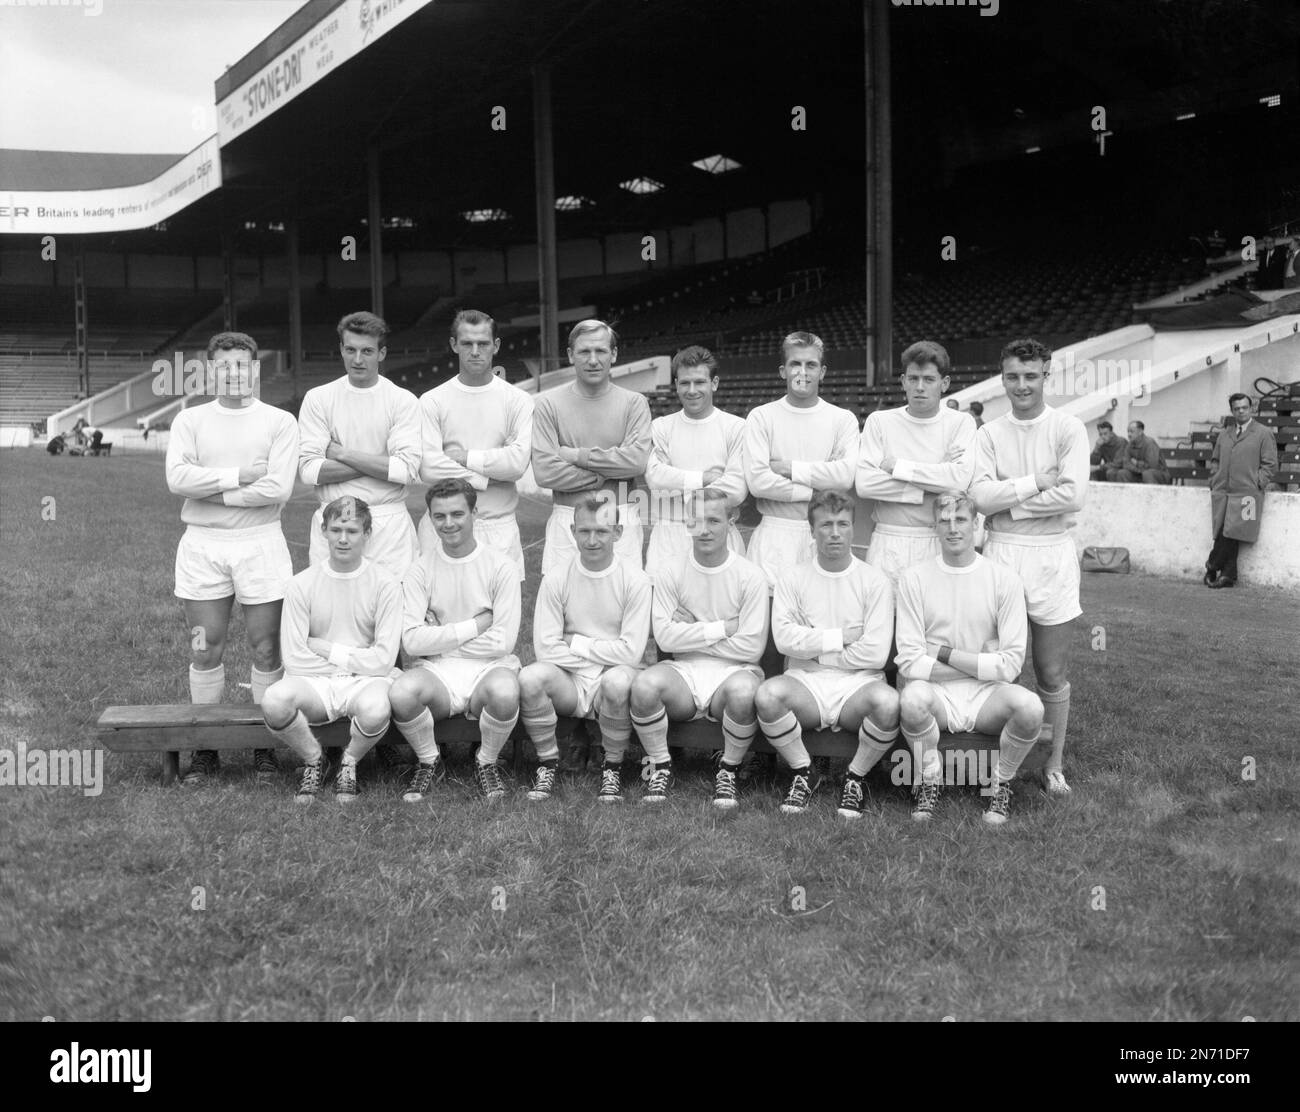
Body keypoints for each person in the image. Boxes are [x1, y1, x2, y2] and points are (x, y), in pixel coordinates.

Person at [165, 331, 298, 786]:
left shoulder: (279, 421)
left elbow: (278, 489)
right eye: (223, 366)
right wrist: (240, 477)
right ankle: (206, 747)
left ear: (255, 370)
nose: (233, 374)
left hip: (261, 545)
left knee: (266, 648)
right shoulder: (191, 420)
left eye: (241, 366)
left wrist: (210, 492)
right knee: (206, 648)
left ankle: (266, 743)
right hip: (203, 546)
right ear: (210, 370)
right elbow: (178, 479)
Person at [971, 338, 1088, 797]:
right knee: (1000, 666)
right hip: (1001, 555)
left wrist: (1012, 503)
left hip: (1052, 557)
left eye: (1031, 375)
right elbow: (980, 497)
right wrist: (1034, 486)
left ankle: (1053, 764)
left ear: (1046, 375)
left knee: (1050, 671)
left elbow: (1073, 495)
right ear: (1003, 378)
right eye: (1013, 376)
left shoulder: (1068, 428)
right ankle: (1001, 768)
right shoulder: (988, 434)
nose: (1022, 385)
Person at [895, 492, 1043, 825]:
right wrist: (982, 664)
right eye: (944, 520)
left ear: (976, 525)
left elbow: (1012, 664)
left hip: (987, 697)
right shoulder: (914, 578)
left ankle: (1001, 783)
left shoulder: (1004, 580)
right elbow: (908, 661)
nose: (952, 528)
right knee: (912, 698)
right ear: (934, 526)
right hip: (939, 696)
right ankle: (929, 780)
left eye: (961, 519)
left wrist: (942, 652)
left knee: (1031, 708)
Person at [755, 491, 899, 818]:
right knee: (767, 696)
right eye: (826, 524)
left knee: (889, 703)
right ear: (812, 530)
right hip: (806, 681)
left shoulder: (874, 581)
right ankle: (803, 772)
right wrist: (842, 638)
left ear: (853, 528)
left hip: (858, 685)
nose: (834, 532)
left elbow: (876, 653)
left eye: (842, 524)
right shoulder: (792, 578)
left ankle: (856, 777)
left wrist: (815, 647)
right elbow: (784, 640)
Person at [259, 497, 403, 805]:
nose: (342, 538)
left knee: (377, 708)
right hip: (319, 681)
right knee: (274, 700)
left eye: (352, 530)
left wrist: (328, 650)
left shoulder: (386, 584)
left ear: (367, 534)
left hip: (363, 682)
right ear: (323, 530)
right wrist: (357, 662)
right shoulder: (301, 584)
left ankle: (349, 763)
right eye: (336, 529)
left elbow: (385, 658)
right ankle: (315, 759)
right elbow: (295, 656)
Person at [629, 489, 769, 806]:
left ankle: (728, 771)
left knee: (745, 692)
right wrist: (721, 628)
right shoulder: (670, 570)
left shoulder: (750, 576)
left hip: (734, 672)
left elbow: (751, 649)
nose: (703, 529)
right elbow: (664, 638)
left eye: (713, 520)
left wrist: (690, 629)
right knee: (644, 685)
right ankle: (660, 765)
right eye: (695, 520)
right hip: (684, 671)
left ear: (731, 522)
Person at [389, 478, 522, 802]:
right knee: (403, 692)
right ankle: (429, 759)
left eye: (457, 514)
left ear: (474, 513)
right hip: (439, 671)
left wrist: (438, 634)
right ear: (430, 518)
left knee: (505, 693)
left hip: (488, 668)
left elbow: (503, 641)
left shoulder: (501, 566)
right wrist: (475, 626)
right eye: (439, 516)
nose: (448, 523)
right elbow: (411, 643)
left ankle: (486, 761)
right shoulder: (420, 570)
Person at [518, 494, 652, 803]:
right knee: (530, 677)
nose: (592, 540)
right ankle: (548, 763)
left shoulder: (635, 580)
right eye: (584, 531)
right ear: (572, 530)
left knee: (617, 680)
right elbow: (545, 648)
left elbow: (631, 652)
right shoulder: (556, 577)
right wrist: (600, 656)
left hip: (612, 678)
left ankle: (612, 768)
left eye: (602, 531)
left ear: (617, 532)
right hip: (572, 678)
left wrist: (577, 643)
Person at [297, 311, 422, 583]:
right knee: (332, 615)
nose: (357, 359)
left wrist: (342, 453)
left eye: (367, 351)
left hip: (388, 524)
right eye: (350, 349)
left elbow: (405, 470)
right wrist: (380, 463)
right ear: (341, 349)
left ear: (382, 353)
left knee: (393, 613)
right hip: (335, 518)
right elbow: (309, 471)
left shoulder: (402, 400)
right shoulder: (318, 398)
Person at [417, 309, 533, 581]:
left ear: (496, 345)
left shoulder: (518, 400)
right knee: (439, 619)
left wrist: (462, 456)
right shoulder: (432, 400)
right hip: (444, 527)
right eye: (467, 343)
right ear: (454, 345)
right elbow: (428, 467)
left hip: (498, 527)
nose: (475, 351)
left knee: (502, 621)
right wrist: (485, 475)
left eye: (482, 343)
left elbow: (516, 464)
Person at [532, 319, 651, 575]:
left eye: (601, 351)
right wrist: (604, 472)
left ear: (614, 354)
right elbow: (544, 472)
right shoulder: (547, 405)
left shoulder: (634, 403)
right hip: (567, 519)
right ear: (570, 356)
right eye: (585, 351)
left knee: (624, 607)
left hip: (621, 516)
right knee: (563, 607)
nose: (593, 360)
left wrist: (577, 456)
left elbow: (636, 462)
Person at [743, 330, 859, 592]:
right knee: (771, 623)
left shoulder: (843, 419)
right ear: (783, 371)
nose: (803, 371)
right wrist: (819, 489)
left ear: (823, 371)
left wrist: (787, 468)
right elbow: (759, 482)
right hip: (774, 535)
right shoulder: (761, 417)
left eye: (811, 364)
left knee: (821, 622)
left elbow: (843, 478)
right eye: (795, 363)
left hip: (823, 533)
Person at [855, 340, 976, 584]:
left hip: (937, 540)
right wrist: (931, 485)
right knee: (884, 619)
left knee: (934, 620)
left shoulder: (960, 423)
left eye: (929, 380)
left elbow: (959, 480)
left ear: (945, 383)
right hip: (888, 540)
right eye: (913, 379)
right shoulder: (880, 421)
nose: (920, 387)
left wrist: (898, 467)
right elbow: (866, 484)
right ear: (903, 381)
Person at [644, 344, 747, 567]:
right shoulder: (661, 426)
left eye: (699, 382)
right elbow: (656, 480)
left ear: (714, 383)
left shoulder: (737, 427)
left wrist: (679, 488)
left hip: (718, 535)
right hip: (669, 536)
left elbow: (737, 489)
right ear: (676, 385)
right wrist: (704, 479)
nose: (692, 390)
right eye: (685, 383)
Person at [1203, 393, 1277, 589]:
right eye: (1237, 408)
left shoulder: (1263, 433)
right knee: (1223, 530)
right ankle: (1228, 575)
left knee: (1233, 530)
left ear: (1251, 408)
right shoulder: (1224, 434)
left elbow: (1270, 464)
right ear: (1232, 411)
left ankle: (1212, 564)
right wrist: (1214, 479)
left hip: (1247, 494)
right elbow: (1215, 460)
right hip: (1223, 491)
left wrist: (1257, 484)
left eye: (1244, 407)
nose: (1241, 411)